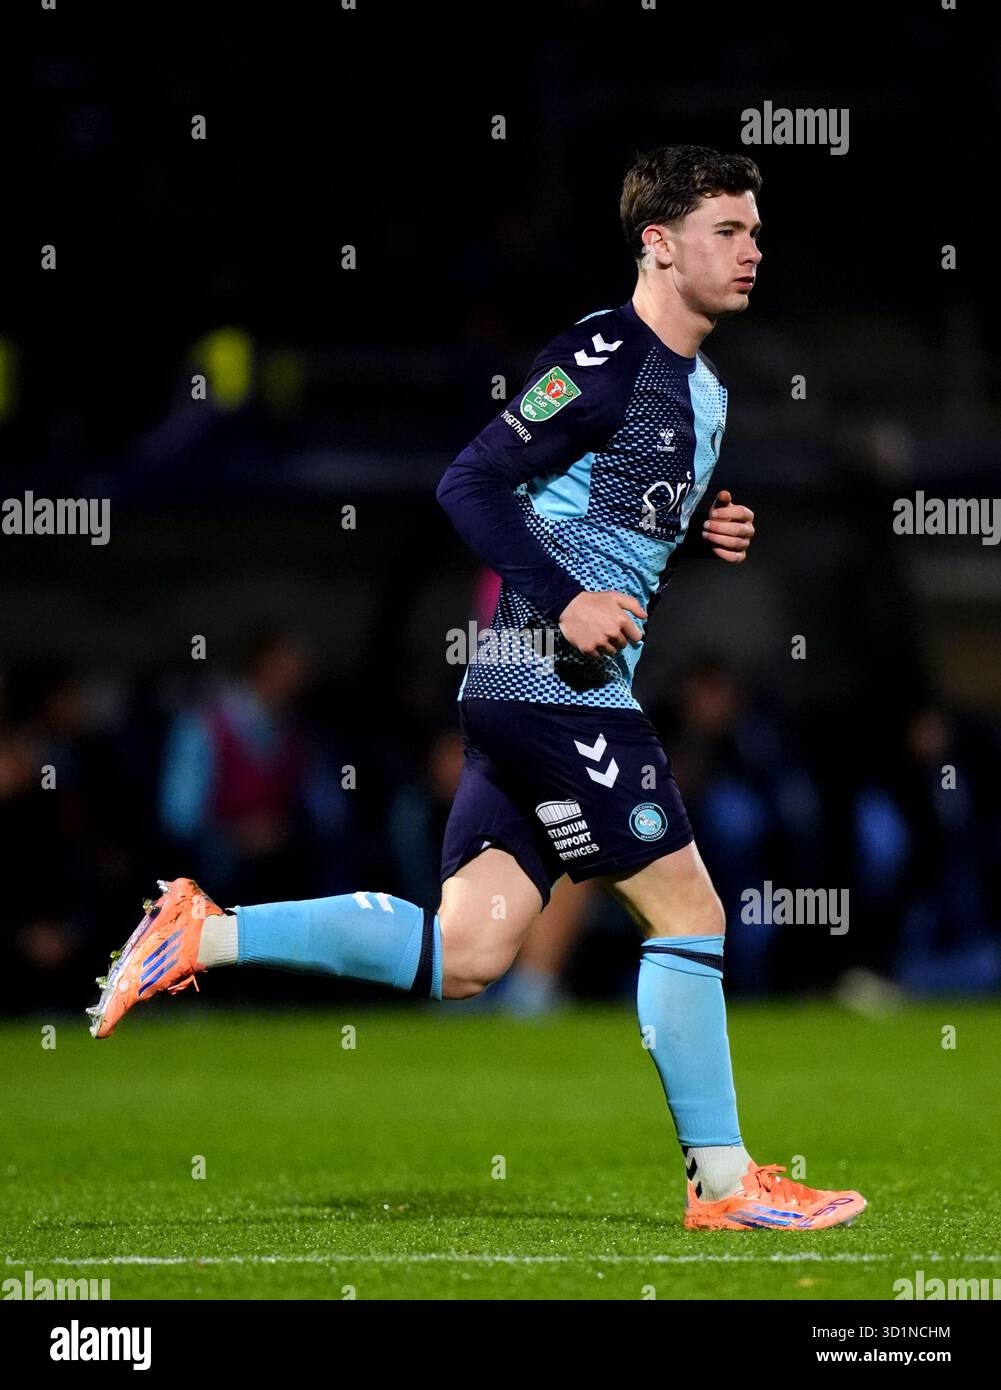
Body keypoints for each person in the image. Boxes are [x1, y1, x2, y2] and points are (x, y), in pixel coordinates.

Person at [88, 144, 865, 1232]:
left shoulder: (701, 389)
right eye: (726, 231)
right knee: (687, 908)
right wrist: (563, 600)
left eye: (754, 233)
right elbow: (471, 478)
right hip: (552, 680)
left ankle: (198, 934)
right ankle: (726, 1182)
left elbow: (605, 522)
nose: (751, 251)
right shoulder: (603, 353)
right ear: (658, 243)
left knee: (468, 951)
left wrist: (697, 535)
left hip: (529, 685)